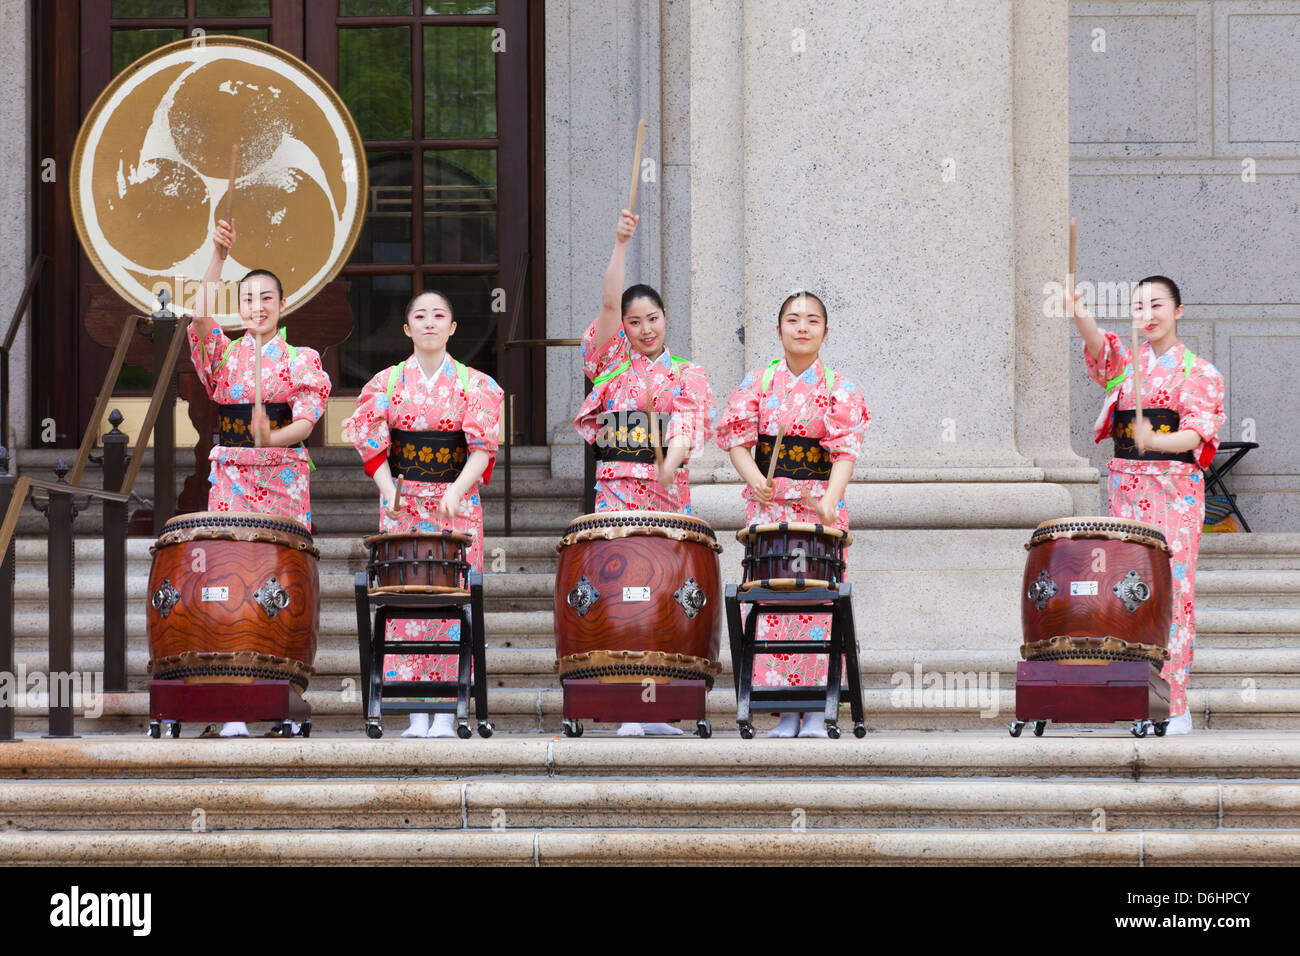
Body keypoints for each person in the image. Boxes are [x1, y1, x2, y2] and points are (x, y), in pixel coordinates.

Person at [572, 208, 716, 735]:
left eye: (651, 318)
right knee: (624, 589)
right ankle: (629, 707)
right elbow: (610, 300)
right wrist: (619, 241)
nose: (644, 328)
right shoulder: (608, 362)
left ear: (665, 318)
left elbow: (687, 428)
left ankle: (666, 707)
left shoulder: (688, 374)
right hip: (615, 495)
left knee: (667, 593)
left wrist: (670, 465)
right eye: (635, 322)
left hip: (666, 495)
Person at [189, 217, 331, 738]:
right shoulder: (223, 355)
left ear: (281, 304)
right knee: (228, 582)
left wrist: (273, 438)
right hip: (230, 475)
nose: (256, 307)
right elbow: (200, 316)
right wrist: (218, 256)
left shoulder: (302, 360)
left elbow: (308, 420)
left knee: (278, 583)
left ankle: (279, 701)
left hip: (282, 480)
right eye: (247, 299)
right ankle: (228, 705)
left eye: (266, 298)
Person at [1068, 276, 1225, 735]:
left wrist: (1156, 438)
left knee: (1172, 595)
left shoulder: (1199, 372)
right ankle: (1136, 698)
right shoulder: (1127, 366)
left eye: (1157, 305)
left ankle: (1175, 705)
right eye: (1138, 307)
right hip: (1125, 487)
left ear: (1179, 310)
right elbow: (1099, 348)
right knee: (1125, 592)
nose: (1147, 315)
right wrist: (1078, 309)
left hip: (1172, 490)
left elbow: (1197, 434)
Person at [343, 291, 502, 738]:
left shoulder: (474, 384)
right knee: (407, 597)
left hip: (457, 502)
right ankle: (415, 714)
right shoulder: (387, 383)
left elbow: (482, 448)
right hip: (403, 502)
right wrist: (387, 487)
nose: (429, 322)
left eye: (439, 316)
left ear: (452, 328)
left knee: (453, 600)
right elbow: (372, 442)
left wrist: (457, 489)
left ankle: (452, 712)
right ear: (407, 328)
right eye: (419, 315)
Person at [716, 292, 870, 737]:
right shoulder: (758, 383)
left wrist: (829, 500)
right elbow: (736, 439)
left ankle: (820, 711)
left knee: (820, 605)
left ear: (825, 330)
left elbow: (845, 452)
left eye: (812, 320)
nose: (802, 327)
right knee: (774, 603)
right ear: (779, 328)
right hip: (770, 510)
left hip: (818, 511)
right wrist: (756, 478)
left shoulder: (840, 388)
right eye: (793, 319)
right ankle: (784, 712)